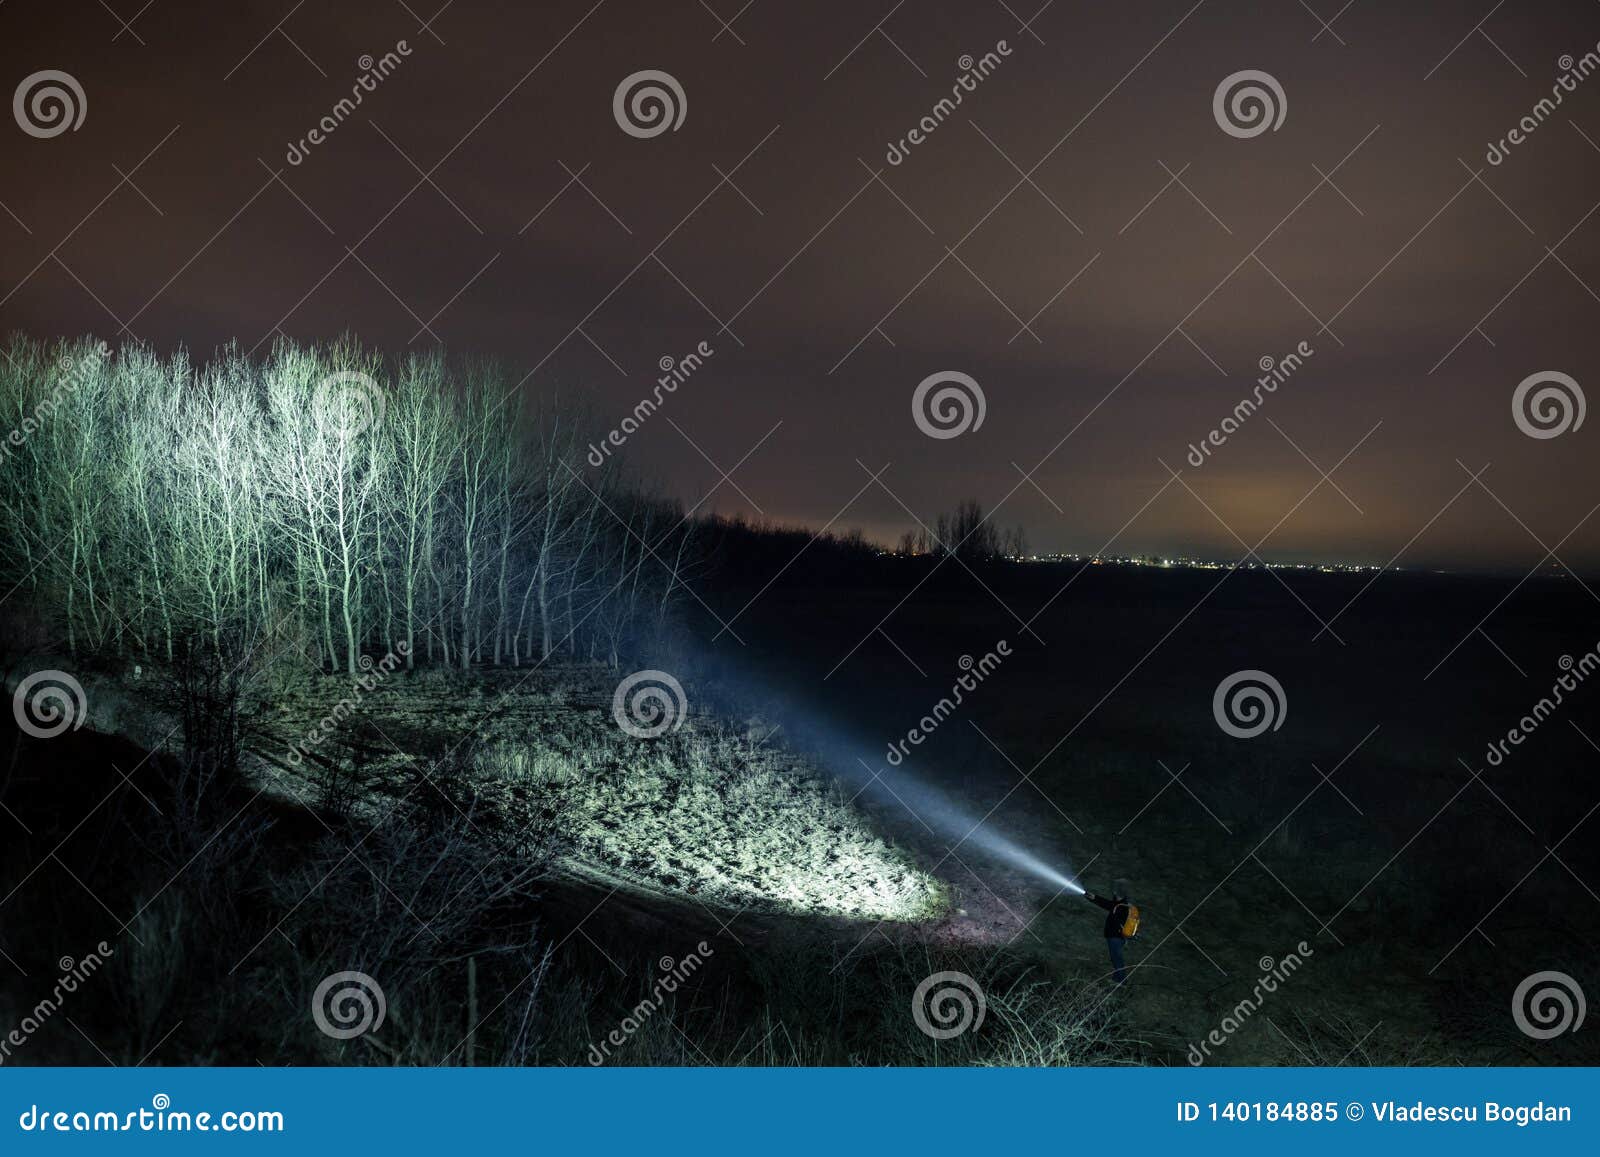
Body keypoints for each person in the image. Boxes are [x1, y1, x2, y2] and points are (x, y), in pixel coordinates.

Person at [1083, 882, 1135, 984]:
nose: (1113, 892)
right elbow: (1108, 904)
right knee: (1116, 958)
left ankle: (1122, 981)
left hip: (1116, 937)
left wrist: (1094, 898)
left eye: (1115, 891)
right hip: (1118, 936)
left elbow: (1108, 905)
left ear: (1117, 893)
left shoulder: (1121, 906)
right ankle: (1117, 979)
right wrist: (1093, 897)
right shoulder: (1122, 905)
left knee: (1117, 959)